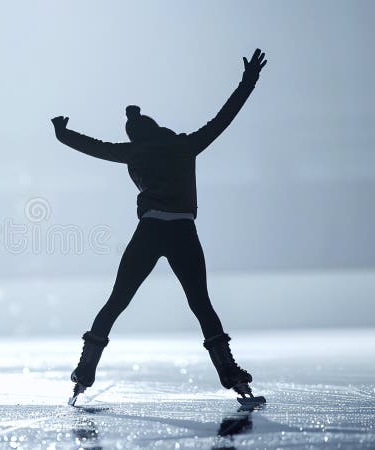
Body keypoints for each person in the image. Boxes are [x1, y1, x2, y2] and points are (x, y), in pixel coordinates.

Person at [52, 49, 268, 405]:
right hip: (183, 231)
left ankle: (86, 369)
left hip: (150, 231)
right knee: (201, 304)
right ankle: (229, 372)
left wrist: (62, 133)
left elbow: (91, 146)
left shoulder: (133, 152)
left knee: (117, 301)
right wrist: (248, 82)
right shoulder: (185, 145)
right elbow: (223, 118)